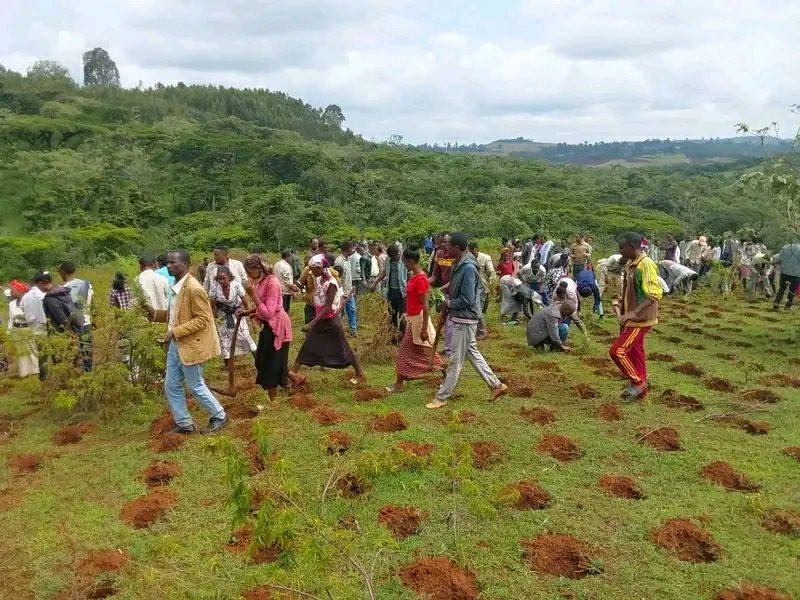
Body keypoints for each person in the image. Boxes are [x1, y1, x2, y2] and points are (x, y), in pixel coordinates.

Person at [145, 250, 227, 434]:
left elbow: (203, 319)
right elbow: (177, 315)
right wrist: (155, 314)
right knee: (171, 384)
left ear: (186, 264)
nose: (169, 266)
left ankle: (220, 415)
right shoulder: (176, 286)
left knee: (195, 384)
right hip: (177, 344)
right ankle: (184, 423)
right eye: (167, 263)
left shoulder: (193, 288)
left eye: (174, 263)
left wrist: (175, 332)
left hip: (190, 343)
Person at [427, 232, 507, 409]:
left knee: (455, 360)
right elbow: (454, 285)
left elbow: (468, 299)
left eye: (448, 246)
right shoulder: (459, 263)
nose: (445, 249)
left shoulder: (469, 268)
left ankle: (441, 397)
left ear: (456, 248)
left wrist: (448, 302)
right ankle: (496, 385)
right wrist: (442, 293)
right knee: (472, 352)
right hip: (461, 316)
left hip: (465, 319)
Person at [241, 254, 305, 399]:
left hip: (278, 328)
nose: (248, 275)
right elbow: (263, 305)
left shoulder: (272, 283)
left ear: (259, 269)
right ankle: (296, 378)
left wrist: (252, 295)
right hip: (269, 327)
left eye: (250, 272)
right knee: (262, 361)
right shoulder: (261, 281)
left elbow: (269, 312)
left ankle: (273, 403)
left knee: (271, 365)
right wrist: (248, 311)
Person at [293, 255, 365, 381]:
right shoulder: (320, 279)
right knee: (306, 347)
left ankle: (360, 374)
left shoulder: (331, 283)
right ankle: (292, 377)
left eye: (313, 269)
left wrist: (311, 323)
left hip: (331, 321)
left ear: (321, 268)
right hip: (321, 320)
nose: (311, 271)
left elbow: (327, 307)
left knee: (344, 348)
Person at [610, 232, 662, 401]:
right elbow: (635, 290)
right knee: (636, 352)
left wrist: (633, 313)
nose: (620, 251)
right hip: (633, 316)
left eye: (622, 248)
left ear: (632, 247)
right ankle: (642, 391)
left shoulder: (645, 264)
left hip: (640, 319)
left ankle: (638, 382)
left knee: (617, 351)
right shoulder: (632, 264)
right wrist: (622, 303)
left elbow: (654, 293)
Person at [387, 246, 444, 392]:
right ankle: (446, 372)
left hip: (418, 321)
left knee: (404, 353)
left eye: (405, 262)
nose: (404, 265)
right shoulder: (414, 276)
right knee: (425, 352)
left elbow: (425, 306)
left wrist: (424, 328)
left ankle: (399, 384)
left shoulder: (421, 279)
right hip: (413, 319)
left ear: (411, 261)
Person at [208, 265, 258, 361]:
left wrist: (252, 318)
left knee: (246, 336)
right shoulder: (214, 288)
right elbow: (212, 306)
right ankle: (228, 365)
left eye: (224, 278)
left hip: (238, 314)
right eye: (219, 279)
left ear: (229, 277)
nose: (221, 281)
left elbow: (246, 302)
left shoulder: (236, 285)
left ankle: (258, 359)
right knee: (224, 340)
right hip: (223, 316)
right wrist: (213, 319)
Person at [52, 265, 93, 372]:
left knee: (75, 353)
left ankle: (77, 374)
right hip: (86, 321)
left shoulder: (64, 289)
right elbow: (91, 304)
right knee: (87, 349)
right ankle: (89, 374)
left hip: (73, 326)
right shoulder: (86, 284)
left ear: (62, 272)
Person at [6, 280, 39, 378]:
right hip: (17, 331)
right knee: (21, 353)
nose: (11, 293)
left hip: (29, 330)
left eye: (13, 291)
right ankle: (24, 372)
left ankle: (35, 371)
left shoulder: (29, 301)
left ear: (20, 291)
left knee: (32, 351)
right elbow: (11, 320)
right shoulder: (11, 304)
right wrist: (8, 333)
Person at [372, 244, 408, 330]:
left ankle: (402, 337)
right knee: (392, 313)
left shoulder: (404, 260)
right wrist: (375, 282)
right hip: (391, 291)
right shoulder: (388, 260)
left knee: (403, 315)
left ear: (398, 254)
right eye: (390, 256)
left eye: (393, 256)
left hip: (402, 292)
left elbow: (410, 275)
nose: (392, 258)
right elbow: (384, 272)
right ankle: (393, 335)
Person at [20, 274, 48, 379]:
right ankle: (48, 375)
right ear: (40, 283)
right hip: (45, 327)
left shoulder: (25, 297)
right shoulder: (43, 295)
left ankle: (43, 375)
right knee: (51, 351)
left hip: (34, 328)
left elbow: (22, 309)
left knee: (41, 353)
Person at [469, 241, 495, 339]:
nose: (473, 255)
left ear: (478, 250)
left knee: (478, 309)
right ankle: (478, 330)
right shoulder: (467, 258)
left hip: (482, 287)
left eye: (474, 252)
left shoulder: (485, 258)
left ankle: (482, 331)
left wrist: (491, 286)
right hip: (472, 286)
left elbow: (492, 273)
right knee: (475, 309)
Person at [334, 241, 358, 335]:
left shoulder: (348, 259)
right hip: (341, 292)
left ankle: (353, 330)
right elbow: (337, 278)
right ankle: (338, 331)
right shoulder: (339, 261)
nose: (353, 250)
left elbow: (348, 276)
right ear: (348, 249)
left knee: (352, 310)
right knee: (340, 313)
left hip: (349, 290)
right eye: (352, 248)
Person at [773, 241, 800, 310]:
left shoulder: (785, 247)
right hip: (796, 274)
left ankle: (776, 302)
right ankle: (788, 306)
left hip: (784, 272)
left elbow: (779, 259)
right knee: (792, 290)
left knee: (782, 288)